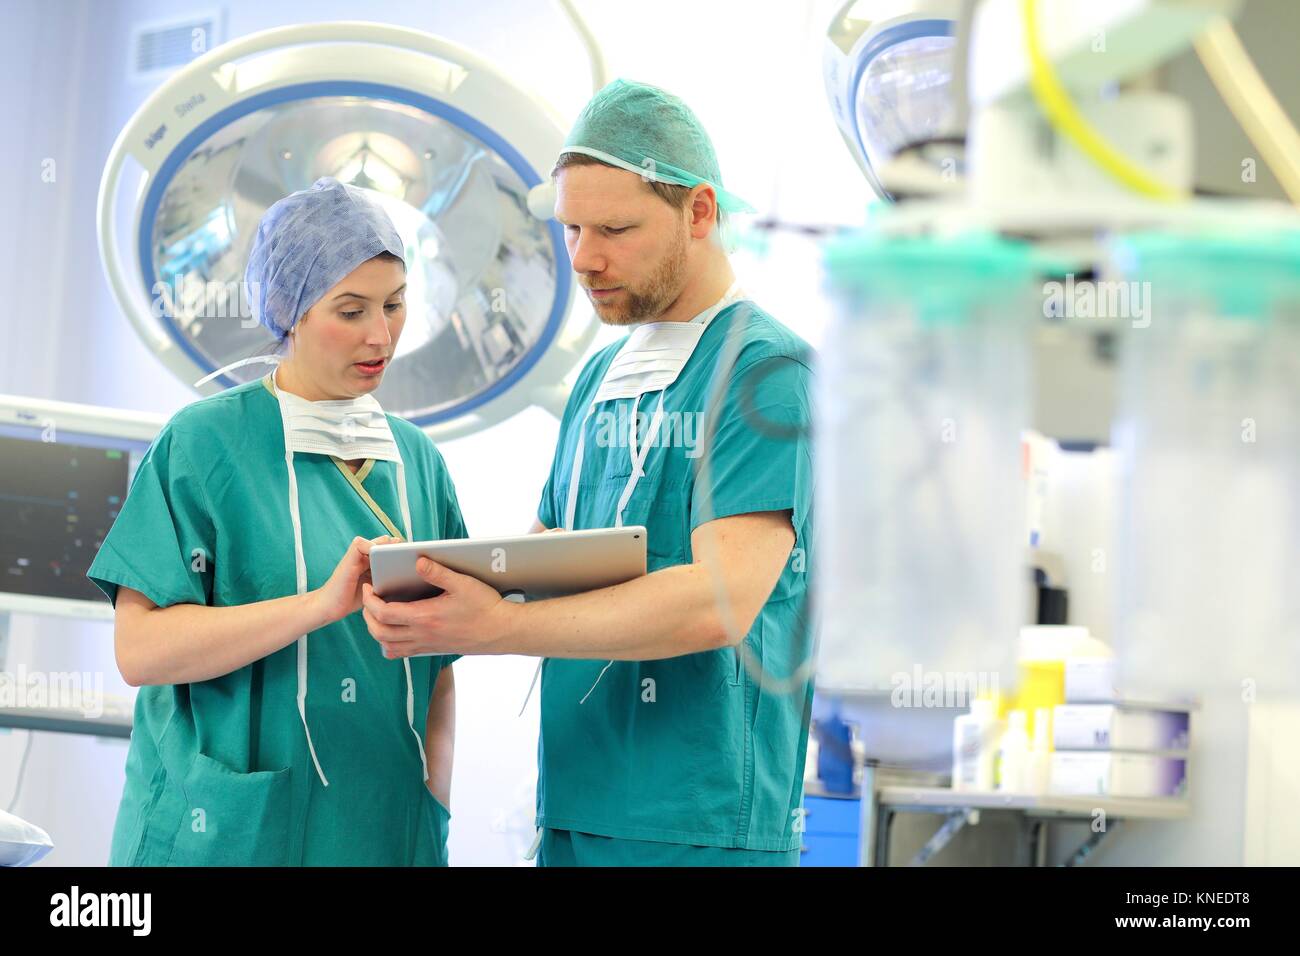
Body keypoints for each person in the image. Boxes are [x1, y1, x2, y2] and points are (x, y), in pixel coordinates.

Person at [361, 81, 815, 866]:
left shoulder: (765, 375)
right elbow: (550, 557)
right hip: (574, 804)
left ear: (700, 212)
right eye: (570, 227)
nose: (583, 257)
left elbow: (718, 603)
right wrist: (433, 586)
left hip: (700, 825)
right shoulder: (601, 377)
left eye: (615, 228)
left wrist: (502, 629)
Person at [88, 178, 464, 866]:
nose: (380, 335)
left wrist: (433, 800)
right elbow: (141, 651)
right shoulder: (205, 445)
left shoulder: (417, 461)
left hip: (382, 832)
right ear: (288, 309)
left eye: (395, 304)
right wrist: (320, 606)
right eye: (349, 311)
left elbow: (440, 670)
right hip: (226, 834)